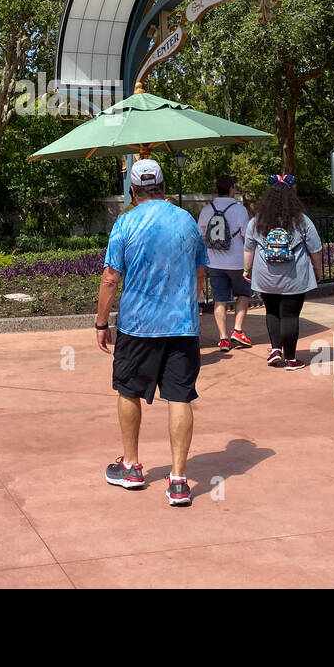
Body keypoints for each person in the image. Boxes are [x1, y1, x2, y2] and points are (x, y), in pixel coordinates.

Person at [95, 158, 208, 506]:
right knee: (180, 396)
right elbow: (201, 273)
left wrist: (101, 323)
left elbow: (111, 277)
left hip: (137, 327)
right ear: (162, 186)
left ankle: (131, 467)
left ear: (132, 189)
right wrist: (188, 304)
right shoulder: (187, 221)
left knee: (128, 391)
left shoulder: (125, 223)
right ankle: (177, 481)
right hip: (181, 327)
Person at [243, 174, 323, 369]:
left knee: (271, 311)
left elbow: (248, 248)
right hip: (294, 276)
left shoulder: (257, 221)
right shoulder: (302, 221)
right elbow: (315, 248)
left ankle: (275, 349)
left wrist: (247, 270)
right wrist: (317, 269)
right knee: (290, 315)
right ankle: (291, 359)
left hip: (265, 276)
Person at [197, 175, 252, 353]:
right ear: (231, 189)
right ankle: (237, 330)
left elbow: (200, 236)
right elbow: (246, 236)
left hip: (214, 262)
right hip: (236, 262)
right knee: (243, 294)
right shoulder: (239, 210)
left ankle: (223, 339)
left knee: (219, 299)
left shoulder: (207, 209)